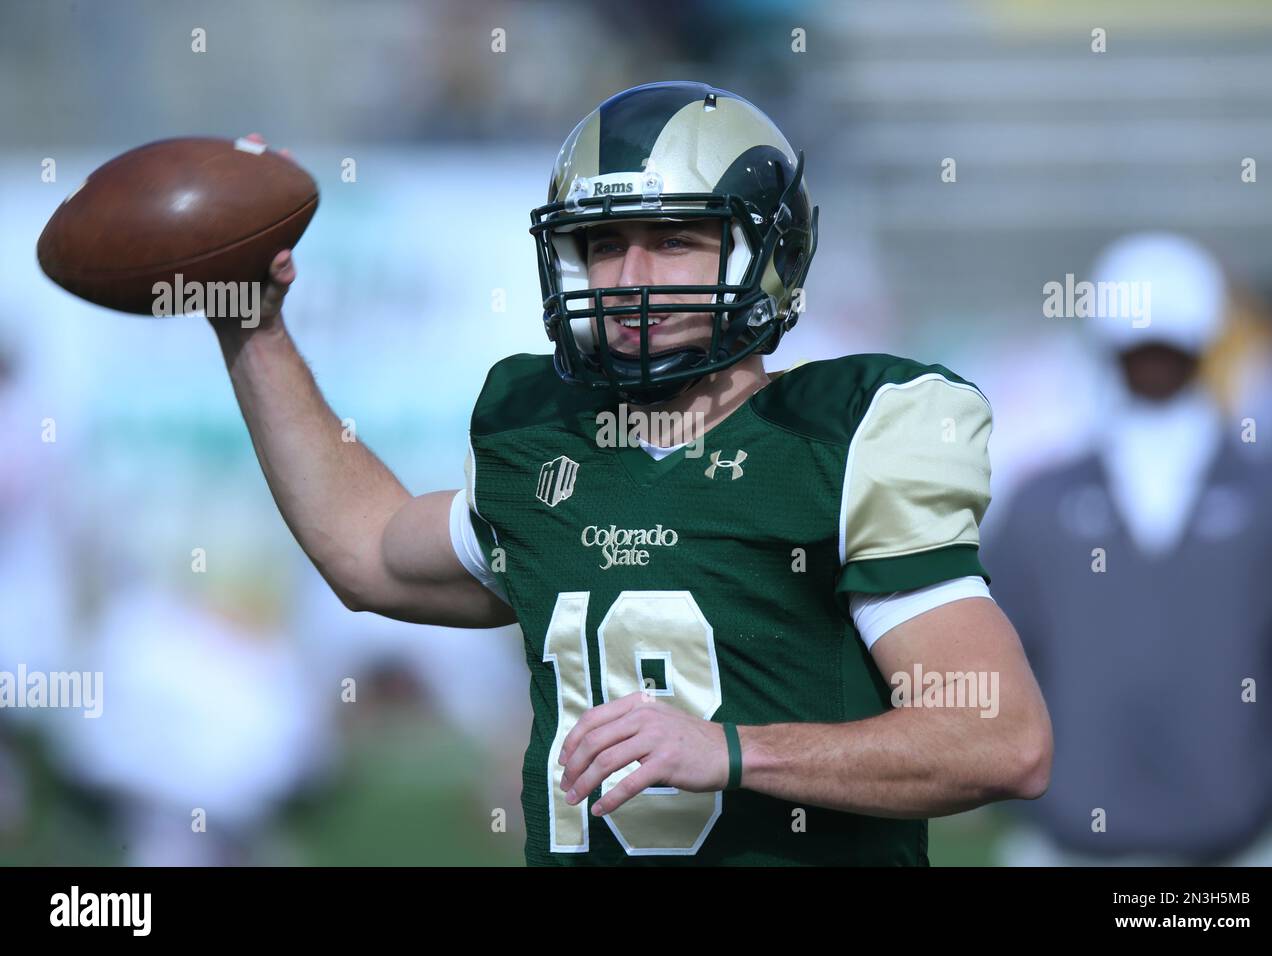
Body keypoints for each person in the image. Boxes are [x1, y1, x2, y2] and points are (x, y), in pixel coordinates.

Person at [215, 81, 1051, 866]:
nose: (630, 279)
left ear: (766, 254)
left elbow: (998, 739)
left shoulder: (843, 435)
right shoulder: (539, 434)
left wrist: (730, 749)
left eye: (675, 241)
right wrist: (253, 328)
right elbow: (366, 552)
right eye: (603, 245)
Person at [987, 233, 1272, 866]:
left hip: (1241, 845)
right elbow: (993, 660)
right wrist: (1037, 798)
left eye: (1170, 344)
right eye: (1140, 344)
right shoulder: (1041, 502)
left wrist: (1265, 793)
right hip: (1065, 841)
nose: (1154, 361)